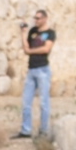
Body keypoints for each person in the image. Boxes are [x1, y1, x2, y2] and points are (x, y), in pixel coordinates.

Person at [18, 9, 55, 138]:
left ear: (44, 19)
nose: (36, 20)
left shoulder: (50, 33)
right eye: (35, 18)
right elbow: (26, 48)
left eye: (38, 18)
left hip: (43, 69)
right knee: (26, 102)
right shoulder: (33, 31)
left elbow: (46, 49)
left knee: (44, 102)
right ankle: (26, 130)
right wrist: (23, 34)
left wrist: (31, 51)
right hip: (31, 69)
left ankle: (44, 131)